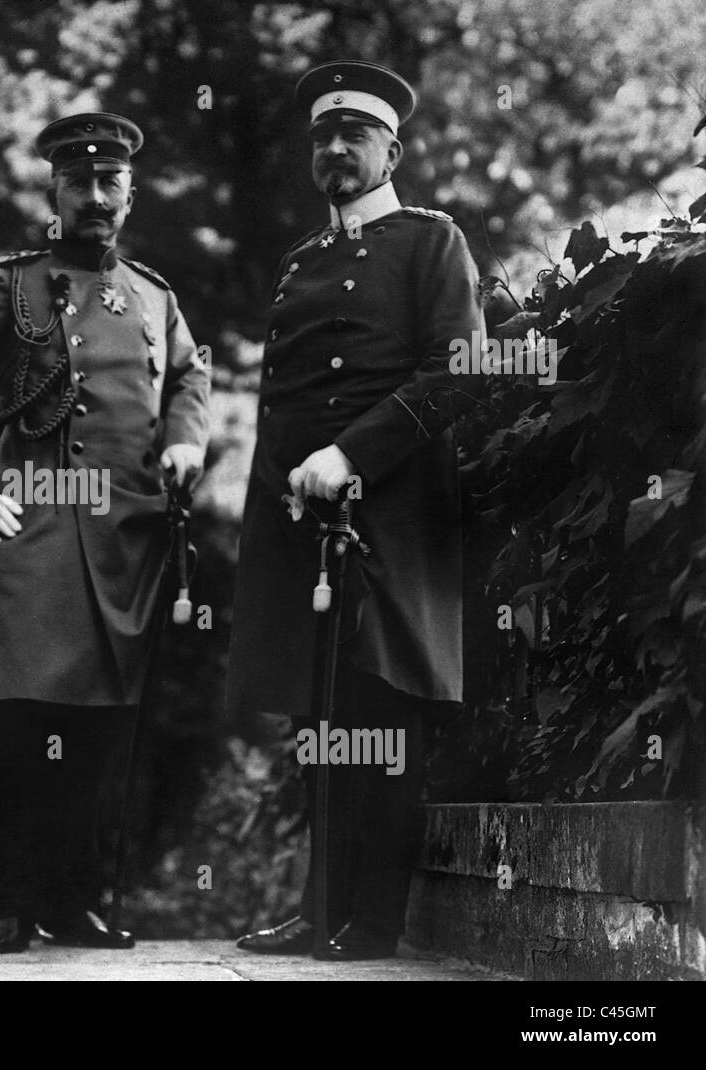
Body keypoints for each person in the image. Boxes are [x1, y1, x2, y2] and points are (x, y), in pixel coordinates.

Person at [0, 113, 211, 953]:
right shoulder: (15, 285)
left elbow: (189, 375)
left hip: (129, 539)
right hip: (34, 529)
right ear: (56, 193)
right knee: (26, 718)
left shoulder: (154, 296)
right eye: (81, 183)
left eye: (111, 184)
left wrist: (186, 438)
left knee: (107, 727)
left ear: (130, 195)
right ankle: (9, 904)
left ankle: (77, 902)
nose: (97, 197)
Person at [227, 61, 484, 961]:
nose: (336, 149)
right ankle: (319, 905)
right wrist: (281, 500)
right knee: (318, 719)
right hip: (305, 526)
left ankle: (372, 922)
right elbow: (278, 406)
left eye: (356, 136)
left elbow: (457, 370)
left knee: (383, 717)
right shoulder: (301, 263)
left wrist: (351, 455)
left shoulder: (430, 241)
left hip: (398, 518)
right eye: (323, 138)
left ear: (392, 151)